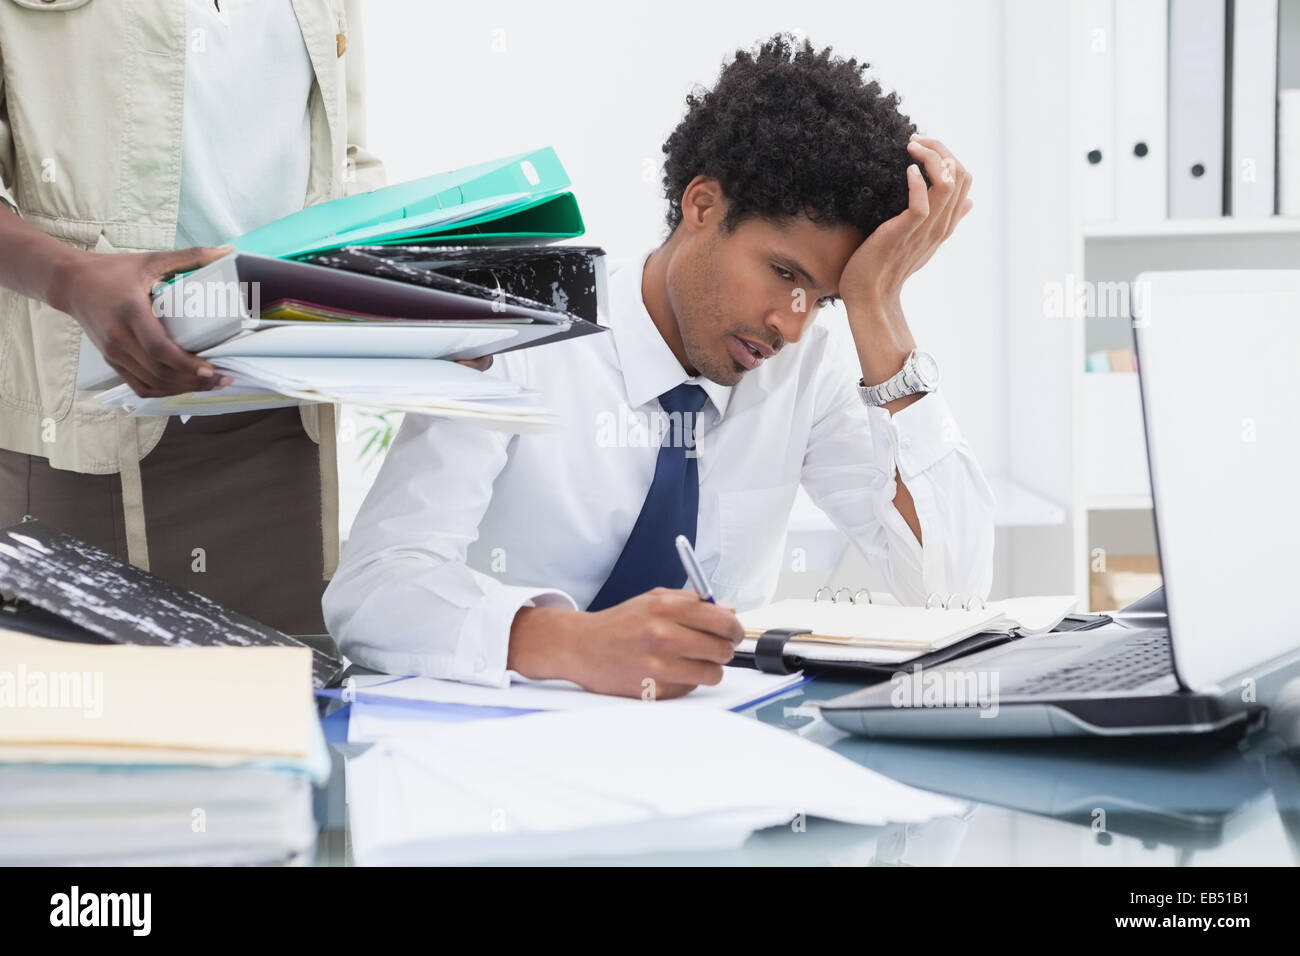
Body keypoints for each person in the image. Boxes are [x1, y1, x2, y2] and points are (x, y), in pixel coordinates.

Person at [324, 34, 997, 697]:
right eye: (783, 272)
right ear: (702, 206)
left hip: (704, 762)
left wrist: (875, 306)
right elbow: (374, 589)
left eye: (820, 299)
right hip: (502, 758)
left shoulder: (804, 372)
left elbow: (950, 594)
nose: (789, 325)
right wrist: (571, 644)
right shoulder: (528, 327)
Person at [0, 0, 388, 633]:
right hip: (91, 427)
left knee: (284, 710)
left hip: (285, 429)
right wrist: (70, 279)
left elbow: (344, 163)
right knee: (87, 719)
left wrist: (428, 300)